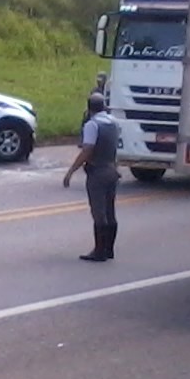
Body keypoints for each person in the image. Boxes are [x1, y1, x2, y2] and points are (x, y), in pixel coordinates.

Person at [63, 91, 121, 262]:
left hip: (98, 171)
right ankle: (109, 249)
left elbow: (87, 150)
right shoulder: (114, 123)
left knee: (99, 213)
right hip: (112, 169)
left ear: (89, 109)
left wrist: (71, 171)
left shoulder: (92, 125)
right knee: (110, 211)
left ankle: (99, 250)